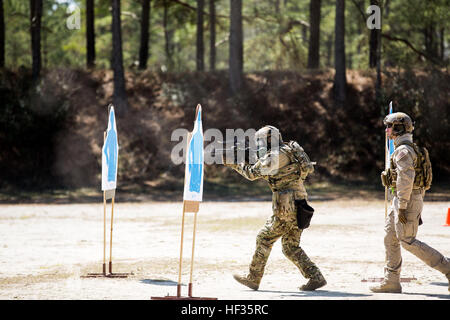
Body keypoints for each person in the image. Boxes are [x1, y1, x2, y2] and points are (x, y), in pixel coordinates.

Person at [223, 125, 327, 291]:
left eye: (261, 142)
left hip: (287, 206)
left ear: (269, 140)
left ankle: (253, 278)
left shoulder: (276, 156)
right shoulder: (287, 150)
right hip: (299, 203)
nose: (259, 145)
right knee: (290, 247)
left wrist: (234, 163)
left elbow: (252, 174)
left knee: (264, 238)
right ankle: (316, 277)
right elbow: (267, 167)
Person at [371, 112, 450, 293]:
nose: (386, 130)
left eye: (389, 126)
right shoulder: (404, 147)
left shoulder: (403, 150)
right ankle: (391, 281)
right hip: (403, 198)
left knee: (407, 240)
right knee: (390, 237)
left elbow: (406, 179)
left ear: (398, 128)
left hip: (406, 199)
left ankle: (448, 268)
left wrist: (403, 207)